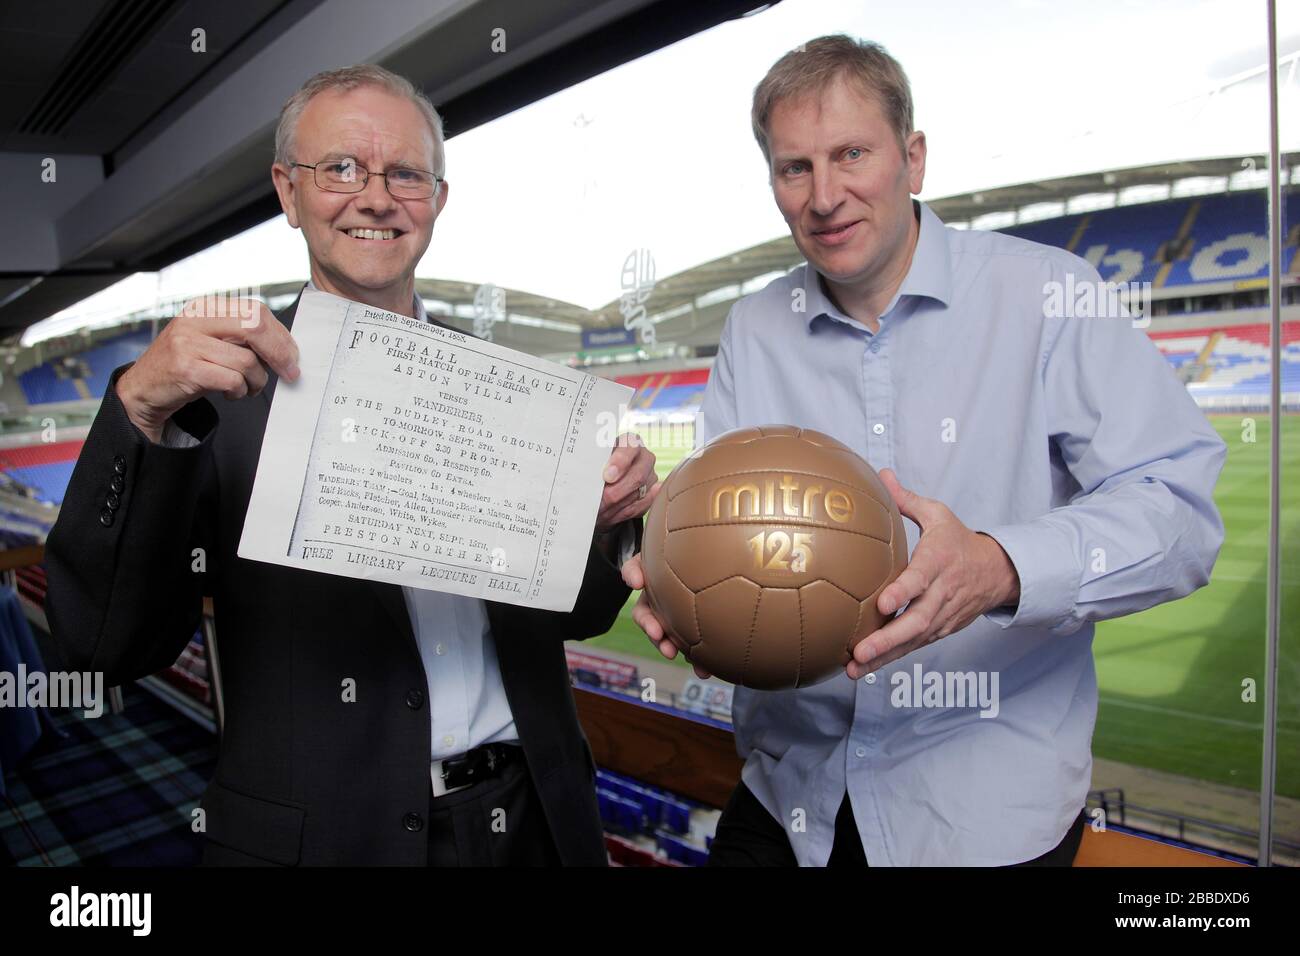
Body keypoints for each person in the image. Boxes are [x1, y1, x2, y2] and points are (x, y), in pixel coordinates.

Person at [620, 35, 1227, 866]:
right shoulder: (754, 327)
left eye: (852, 154)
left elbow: (1181, 515)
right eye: (795, 168)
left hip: (981, 820)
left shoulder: (1048, 295)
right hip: (791, 800)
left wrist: (1000, 566)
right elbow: (716, 517)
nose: (825, 195)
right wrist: (674, 573)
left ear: (914, 158)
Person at [45, 64, 658, 866]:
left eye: (404, 172)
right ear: (286, 192)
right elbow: (103, 652)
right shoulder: (212, 395)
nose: (375, 197)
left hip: (534, 824)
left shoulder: (516, 400)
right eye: (339, 168)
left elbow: (573, 613)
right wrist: (138, 411)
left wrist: (606, 523)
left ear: (437, 198)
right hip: (329, 845)